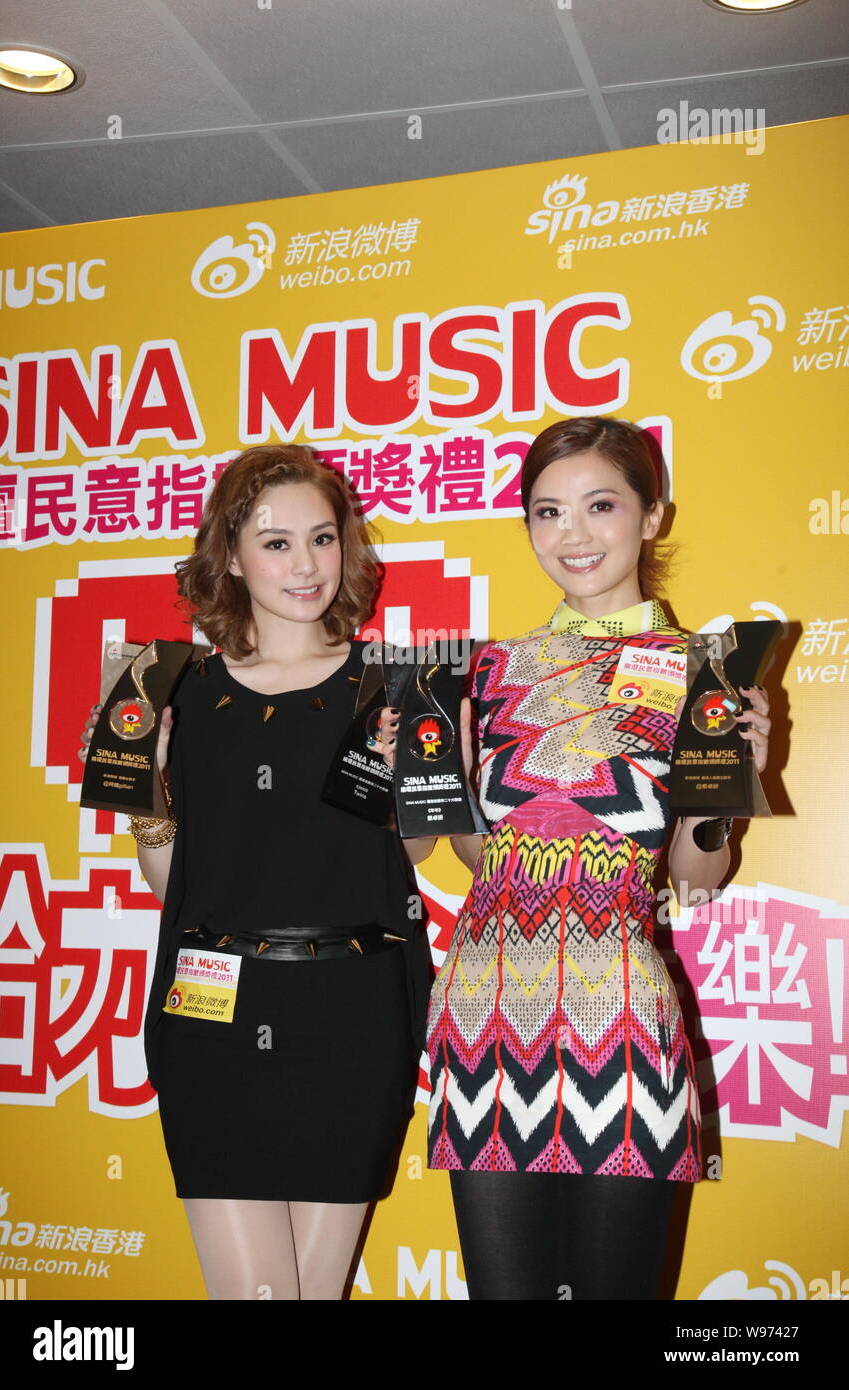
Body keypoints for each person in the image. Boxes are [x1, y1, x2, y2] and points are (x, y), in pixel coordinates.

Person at [380, 415, 772, 1300]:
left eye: (600, 506)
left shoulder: (697, 669)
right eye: (548, 513)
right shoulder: (485, 671)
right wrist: (439, 770)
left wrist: (730, 781)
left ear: (653, 514)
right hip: (485, 1011)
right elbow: (482, 858)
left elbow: (695, 882)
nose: (574, 535)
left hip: (620, 1018)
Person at [79, 444, 434, 1300]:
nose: (305, 564)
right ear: (230, 555)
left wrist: (398, 783)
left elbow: (413, 858)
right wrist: (149, 794)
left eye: (322, 537)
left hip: (353, 1013)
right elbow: (176, 889)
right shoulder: (175, 689)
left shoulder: (394, 685)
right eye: (276, 543)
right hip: (212, 1008)